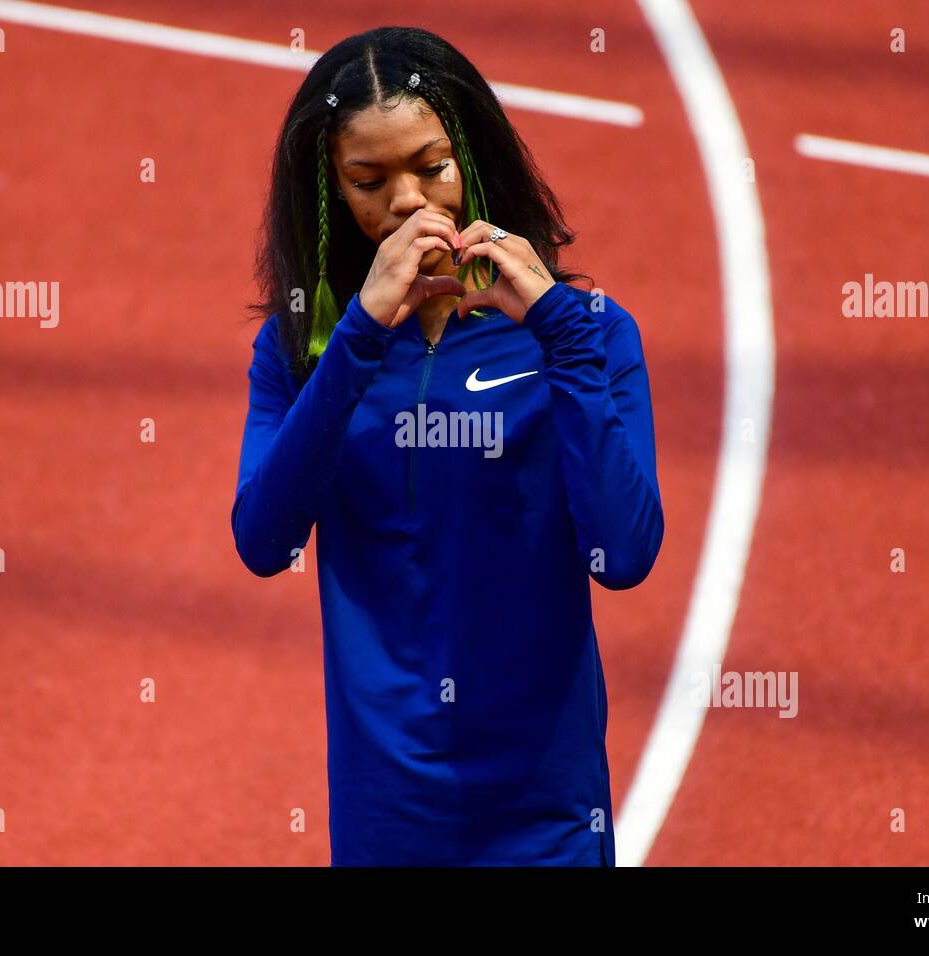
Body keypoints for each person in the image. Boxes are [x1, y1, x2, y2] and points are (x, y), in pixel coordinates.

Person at [232, 25, 665, 866]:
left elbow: (626, 555)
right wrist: (355, 339)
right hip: (387, 812)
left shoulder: (590, 338)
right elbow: (263, 541)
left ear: (474, 151)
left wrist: (560, 335)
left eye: (430, 166)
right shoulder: (303, 352)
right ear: (328, 193)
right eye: (368, 179)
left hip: (550, 809)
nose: (405, 200)